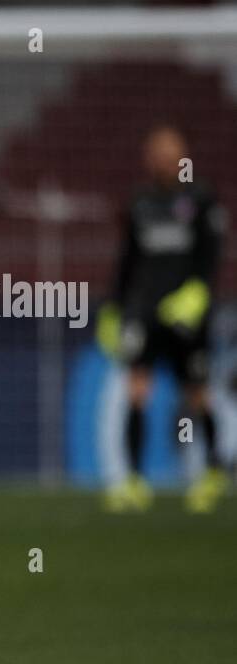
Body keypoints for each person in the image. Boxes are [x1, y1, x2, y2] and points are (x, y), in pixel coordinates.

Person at [97, 125, 227, 513]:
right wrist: (114, 307)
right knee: (137, 390)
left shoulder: (201, 199)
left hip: (188, 317)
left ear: (183, 157)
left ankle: (211, 473)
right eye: (158, 153)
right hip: (146, 312)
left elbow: (211, 257)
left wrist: (197, 294)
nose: (165, 160)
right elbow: (128, 261)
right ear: (148, 158)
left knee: (198, 393)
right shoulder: (140, 203)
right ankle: (134, 480)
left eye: (172, 153)